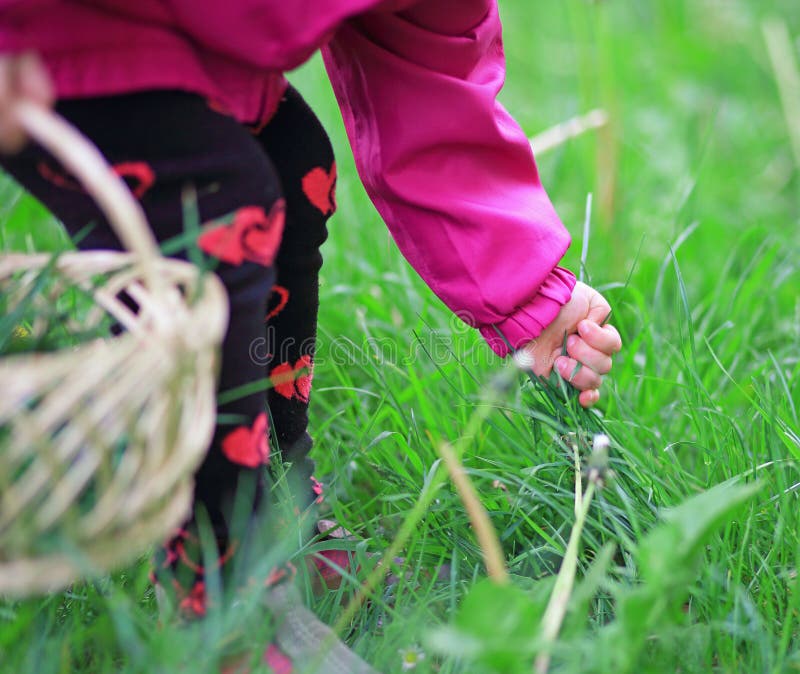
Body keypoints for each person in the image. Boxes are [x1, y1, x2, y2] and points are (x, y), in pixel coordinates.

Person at [0, 1, 622, 671]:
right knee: (213, 202)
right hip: (55, 29)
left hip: (184, 36)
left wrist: (529, 292)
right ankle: (219, 590)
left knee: (294, 162)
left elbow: (427, 82)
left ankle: (283, 504)